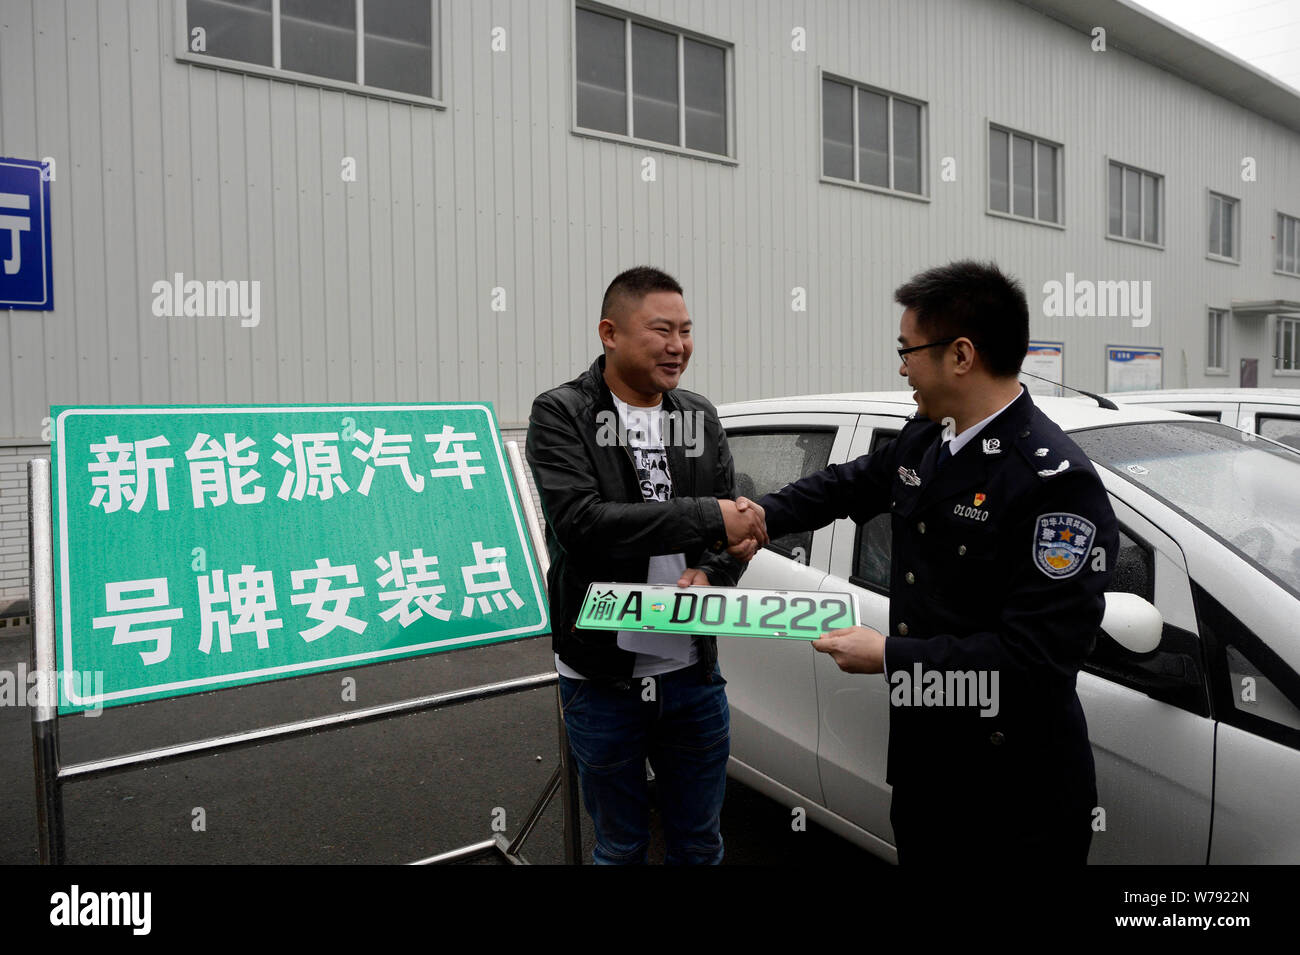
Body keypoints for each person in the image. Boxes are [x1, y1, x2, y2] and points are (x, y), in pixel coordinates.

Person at [751, 260, 1118, 864]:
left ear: (962, 355)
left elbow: (1036, 660)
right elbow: (848, 485)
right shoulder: (929, 435)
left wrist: (890, 656)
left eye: (908, 350)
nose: (900, 367)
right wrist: (757, 517)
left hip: (1012, 795)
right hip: (926, 768)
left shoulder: (1053, 482)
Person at [525, 266, 765, 865]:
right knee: (621, 846)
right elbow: (584, 525)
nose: (678, 346)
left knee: (700, 842)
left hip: (692, 673)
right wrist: (711, 517)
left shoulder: (698, 417)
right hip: (603, 679)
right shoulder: (563, 414)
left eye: (686, 330)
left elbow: (727, 532)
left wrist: (713, 570)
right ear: (610, 332)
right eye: (661, 330)